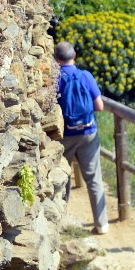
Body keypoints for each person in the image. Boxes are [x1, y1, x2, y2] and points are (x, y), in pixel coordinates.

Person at [54, 40, 107, 234]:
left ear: (56, 58)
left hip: (65, 135)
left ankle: (60, 219)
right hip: (88, 133)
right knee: (94, 179)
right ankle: (102, 224)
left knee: (62, 175)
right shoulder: (85, 76)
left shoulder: (56, 77)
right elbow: (99, 106)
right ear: (74, 56)